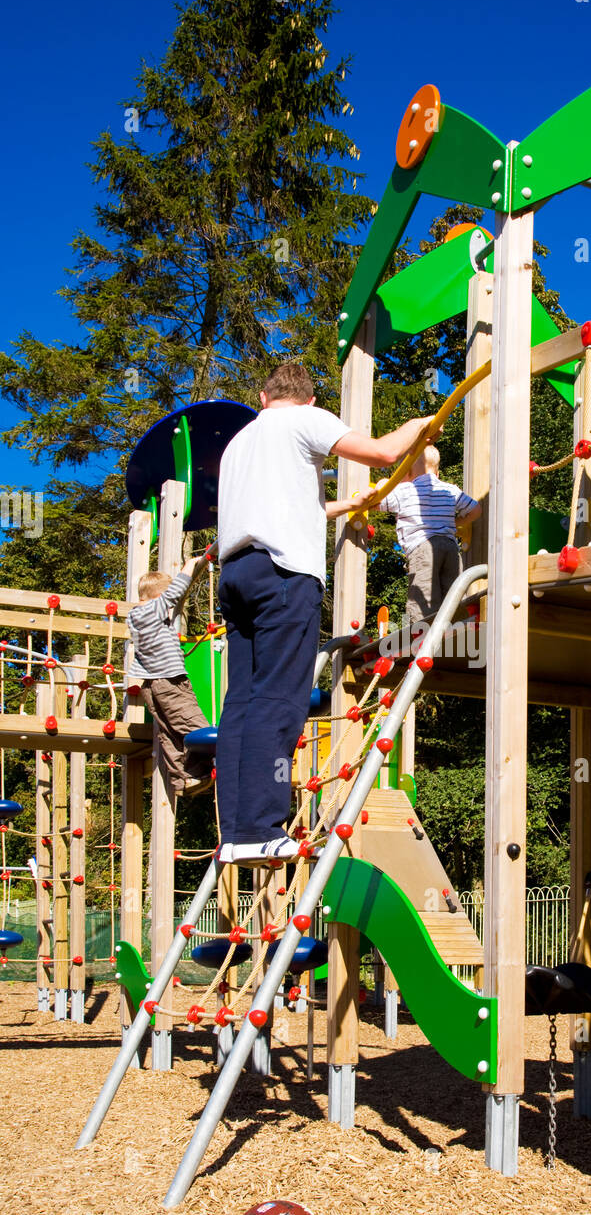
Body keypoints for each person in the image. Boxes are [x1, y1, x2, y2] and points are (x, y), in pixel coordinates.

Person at [215, 360, 428, 865]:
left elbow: (293, 506)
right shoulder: (305, 419)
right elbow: (381, 452)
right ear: (309, 401)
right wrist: (419, 427)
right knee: (280, 698)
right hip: (284, 576)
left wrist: (346, 505)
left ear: (262, 397)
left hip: (236, 574)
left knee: (241, 702)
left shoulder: (239, 443)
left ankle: (237, 830)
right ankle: (260, 828)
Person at [127, 556, 212, 798]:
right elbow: (175, 592)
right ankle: (211, 767)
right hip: (169, 680)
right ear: (156, 597)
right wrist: (192, 564)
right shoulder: (152, 609)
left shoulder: (134, 616)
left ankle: (186, 779)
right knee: (193, 725)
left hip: (150, 685)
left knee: (169, 734)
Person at [375, 444, 480, 623]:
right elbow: (476, 509)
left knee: (423, 597)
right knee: (453, 595)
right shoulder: (449, 489)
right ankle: (458, 633)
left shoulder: (405, 490)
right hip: (450, 548)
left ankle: (421, 637)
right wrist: (455, 523)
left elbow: (378, 501)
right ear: (437, 473)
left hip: (423, 548)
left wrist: (385, 483)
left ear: (406, 473)